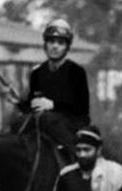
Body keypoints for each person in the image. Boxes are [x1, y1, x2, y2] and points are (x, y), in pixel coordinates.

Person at [17, 18, 90, 161]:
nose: (55, 46)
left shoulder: (77, 72)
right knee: (16, 124)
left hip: (71, 124)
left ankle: (76, 162)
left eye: (60, 43)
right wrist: (19, 103)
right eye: (51, 42)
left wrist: (53, 105)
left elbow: (82, 108)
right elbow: (32, 106)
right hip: (42, 123)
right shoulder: (37, 73)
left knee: (48, 119)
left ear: (67, 47)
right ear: (45, 45)